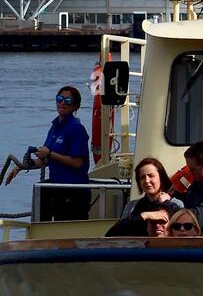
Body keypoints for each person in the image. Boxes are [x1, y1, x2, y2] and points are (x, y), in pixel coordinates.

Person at [30, 85, 91, 222]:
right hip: (56, 190)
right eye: (60, 99)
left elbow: (77, 163)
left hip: (73, 193)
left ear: (75, 106)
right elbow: (44, 159)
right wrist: (25, 165)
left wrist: (50, 153)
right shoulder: (55, 127)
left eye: (68, 101)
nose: (62, 103)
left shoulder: (77, 129)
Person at [106, 157, 183, 237]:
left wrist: (166, 203)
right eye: (142, 177)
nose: (146, 181)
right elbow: (114, 233)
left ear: (161, 177)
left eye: (151, 176)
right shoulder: (132, 206)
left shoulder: (175, 204)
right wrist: (145, 215)